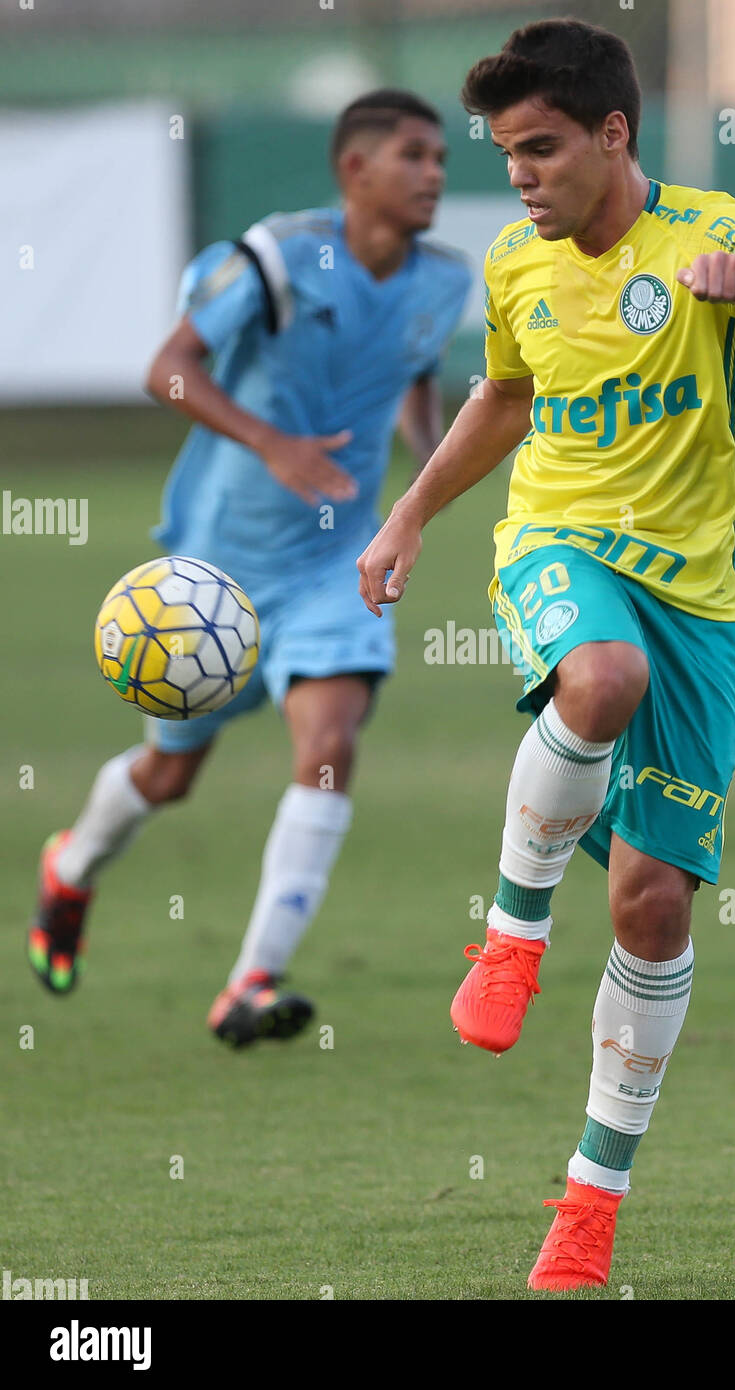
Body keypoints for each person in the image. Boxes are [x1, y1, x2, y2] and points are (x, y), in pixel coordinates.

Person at [357, 21, 735, 1289]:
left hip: (702, 593)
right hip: (560, 542)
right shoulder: (517, 264)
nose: (520, 175)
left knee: (649, 905)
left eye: (540, 148)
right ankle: (512, 929)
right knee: (599, 679)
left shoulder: (710, 227)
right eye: (506, 154)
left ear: (613, 134)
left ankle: (588, 1208)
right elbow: (506, 397)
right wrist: (411, 512)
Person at [29, 89, 471, 1048]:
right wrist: (274, 445)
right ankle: (68, 869)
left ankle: (249, 981)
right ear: (354, 171)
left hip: (334, 568)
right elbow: (169, 368)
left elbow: (411, 383)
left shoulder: (443, 280)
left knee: (330, 743)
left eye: (439, 155)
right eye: (412, 155)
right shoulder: (275, 256)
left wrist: (427, 487)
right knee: (170, 775)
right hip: (213, 578)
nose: (435, 172)